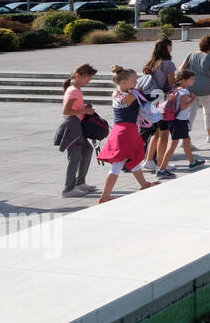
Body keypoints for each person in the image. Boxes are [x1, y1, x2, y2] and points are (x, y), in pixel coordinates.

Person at [97, 65, 161, 204]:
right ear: (123, 82)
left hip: (120, 130)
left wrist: (136, 90)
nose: (136, 83)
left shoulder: (116, 93)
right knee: (117, 165)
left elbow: (138, 94)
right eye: (134, 81)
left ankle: (144, 185)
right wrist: (164, 96)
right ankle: (105, 196)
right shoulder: (131, 95)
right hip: (126, 132)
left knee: (133, 160)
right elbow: (145, 97)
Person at [56, 63, 99, 197]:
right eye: (88, 78)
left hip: (75, 125)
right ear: (78, 75)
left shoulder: (74, 89)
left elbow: (73, 108)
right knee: (74, 157)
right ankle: (68, 189)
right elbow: (66, 111)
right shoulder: (74, 90)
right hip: (72, 125)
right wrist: (85, 110)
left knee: (87, 150)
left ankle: (80, 183)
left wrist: (84, 108)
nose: (89, 81)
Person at [157, 69, 207, 173]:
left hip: (174, 120)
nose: (193, 81)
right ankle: (161, 170)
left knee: (186, 140)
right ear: (183, 80)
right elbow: (183, 107)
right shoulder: (184, 91)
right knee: (173, 145)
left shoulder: (177, 89)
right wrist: (193, 100)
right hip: (180, 121)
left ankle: (192, 162)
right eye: (191, 79)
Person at [138, 39, 176, 172]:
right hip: (162, 100)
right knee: (164, 133)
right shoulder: (168, 64)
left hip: (151, 100)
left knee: (156, 131)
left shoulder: (151, 63)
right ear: (168, 47)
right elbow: (171, 84)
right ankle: (161, 164)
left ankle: (149, 160)